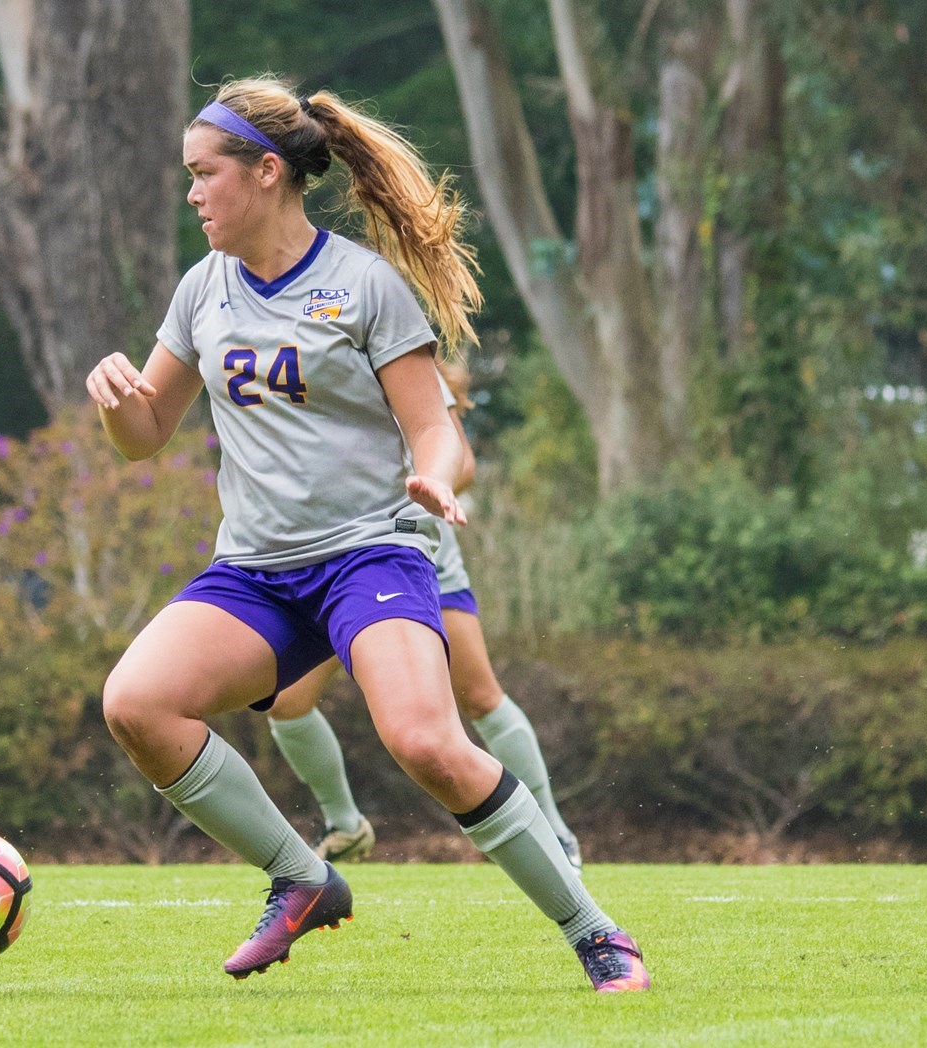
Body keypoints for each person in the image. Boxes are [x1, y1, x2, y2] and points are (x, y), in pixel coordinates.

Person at [86, 78, 648, 992]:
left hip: (368, 556)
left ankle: (595, 932)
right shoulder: (202, 289)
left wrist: (436, 475)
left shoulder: (363, 286)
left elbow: (439, 430)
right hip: (256, 574)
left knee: (426, 740)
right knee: (136, 704)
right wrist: (118, 406)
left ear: (267, 173)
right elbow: (145, 438)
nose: (191, 193)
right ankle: (302, 877)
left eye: (205, 174)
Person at [267, 362, 582, 871]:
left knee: (478, 696)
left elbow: (464, 465)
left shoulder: (394, 348)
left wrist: (421, 482)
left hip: (412, 559)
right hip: (331, 559)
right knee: (286, 703)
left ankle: (556, 832)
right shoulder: (311, 350)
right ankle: (345, 825)